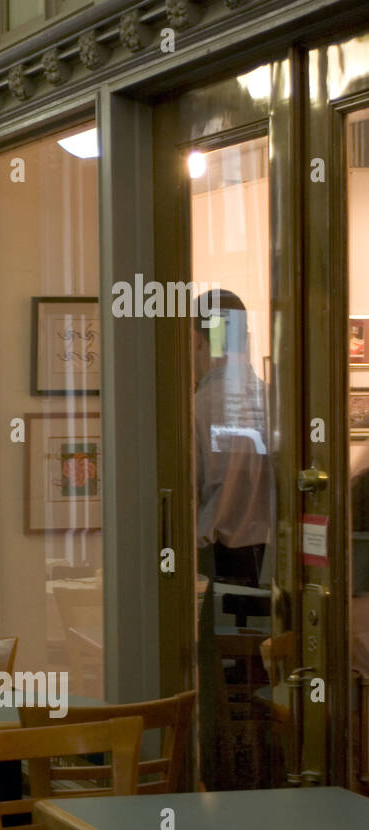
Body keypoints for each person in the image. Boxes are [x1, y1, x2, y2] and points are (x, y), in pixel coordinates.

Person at [193, 289, 274, 788]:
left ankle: (223, 788)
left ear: (206, 339)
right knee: (261, 680)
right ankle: (266, 780)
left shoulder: (202, 403)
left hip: (223, 563)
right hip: (271, 565)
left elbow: (189, 491)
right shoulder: (269, 396)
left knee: (221, 693)